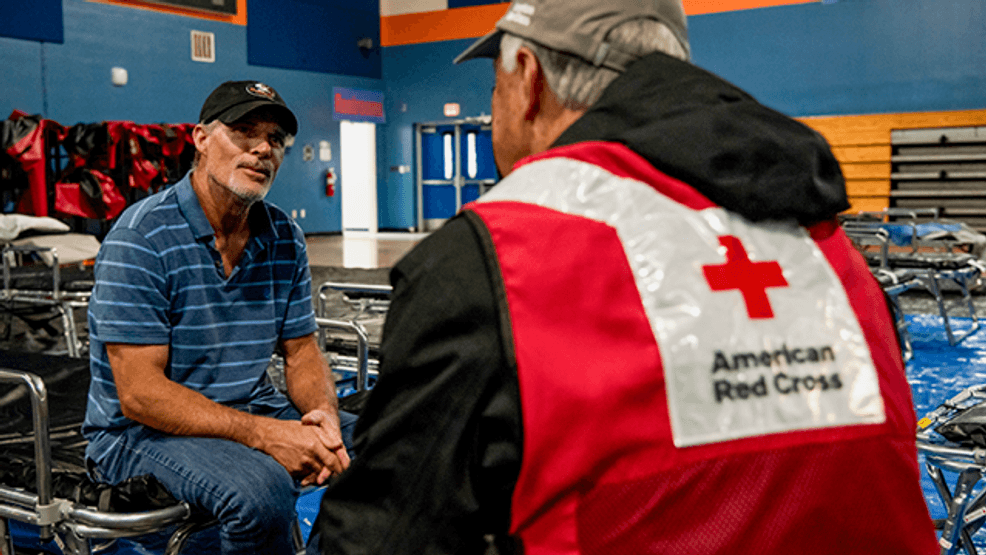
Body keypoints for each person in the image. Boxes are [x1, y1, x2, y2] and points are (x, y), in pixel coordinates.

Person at [312, 0, 939, 553]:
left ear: (527, 80)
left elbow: (386, 530)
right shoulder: (828, 244)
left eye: (494, 80)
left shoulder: (497, 255)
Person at [82, 80, 357, 555]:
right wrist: (270, 435)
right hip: (138, 433)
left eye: (274, 139)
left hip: (248, 408)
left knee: (398, 446)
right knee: (262, 490)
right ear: (201, 139)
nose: (261, 149)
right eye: (244, 131)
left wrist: (322, 420)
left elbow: (302, 350)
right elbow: (140, 395)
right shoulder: (141, 237)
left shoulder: (283, 235)